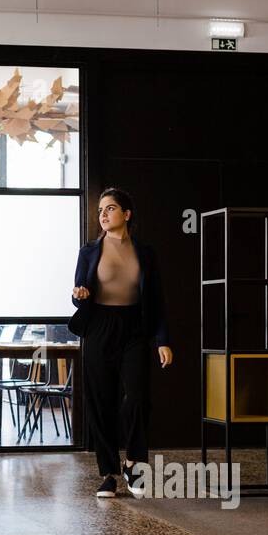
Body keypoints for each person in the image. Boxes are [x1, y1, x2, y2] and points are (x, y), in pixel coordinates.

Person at [67, 187, 172, 498]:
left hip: (135, 328)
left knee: (138, 398)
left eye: (110, 208)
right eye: (101, 209)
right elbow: (78, 292)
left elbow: (157, 301)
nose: (103, 214)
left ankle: (133, 462)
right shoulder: (88, 251)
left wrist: (162, 340)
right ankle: (109, 472)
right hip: (99, 325)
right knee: (101, 401)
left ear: (126, 214)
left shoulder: (146, 253)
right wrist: (79, 294)